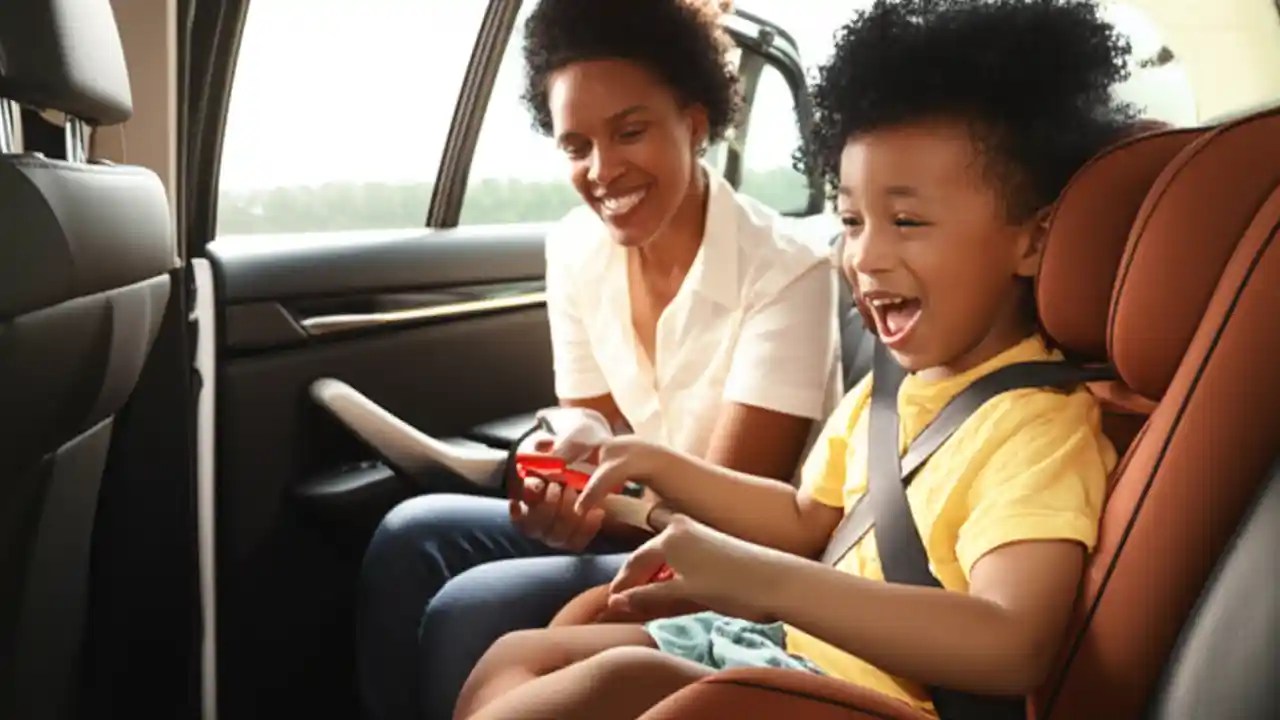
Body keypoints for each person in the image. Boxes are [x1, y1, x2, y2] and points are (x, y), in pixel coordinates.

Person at [451, 0, 1138, 718]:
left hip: (871, 700)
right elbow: (807, 516)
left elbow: (1013, 643)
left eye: (906, 221)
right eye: (852, 221)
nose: (865, 256)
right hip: (784, 652)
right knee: (517, 656)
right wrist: (652, 462)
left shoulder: (1038, 429)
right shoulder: (893, 389)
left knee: (615, 679)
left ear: (1032, 241)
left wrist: (759, 581)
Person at [356, 1, 840, 718]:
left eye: (630, 132)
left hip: (732, 561)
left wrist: (604, 495)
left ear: (695, 124)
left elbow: (724, 526)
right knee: (408, 535)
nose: (603, 170)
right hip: (643, 524)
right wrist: (569, 484)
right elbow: (597, 445)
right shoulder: (574, 249)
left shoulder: (788, 272)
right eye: (577, 146)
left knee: (467, 604)